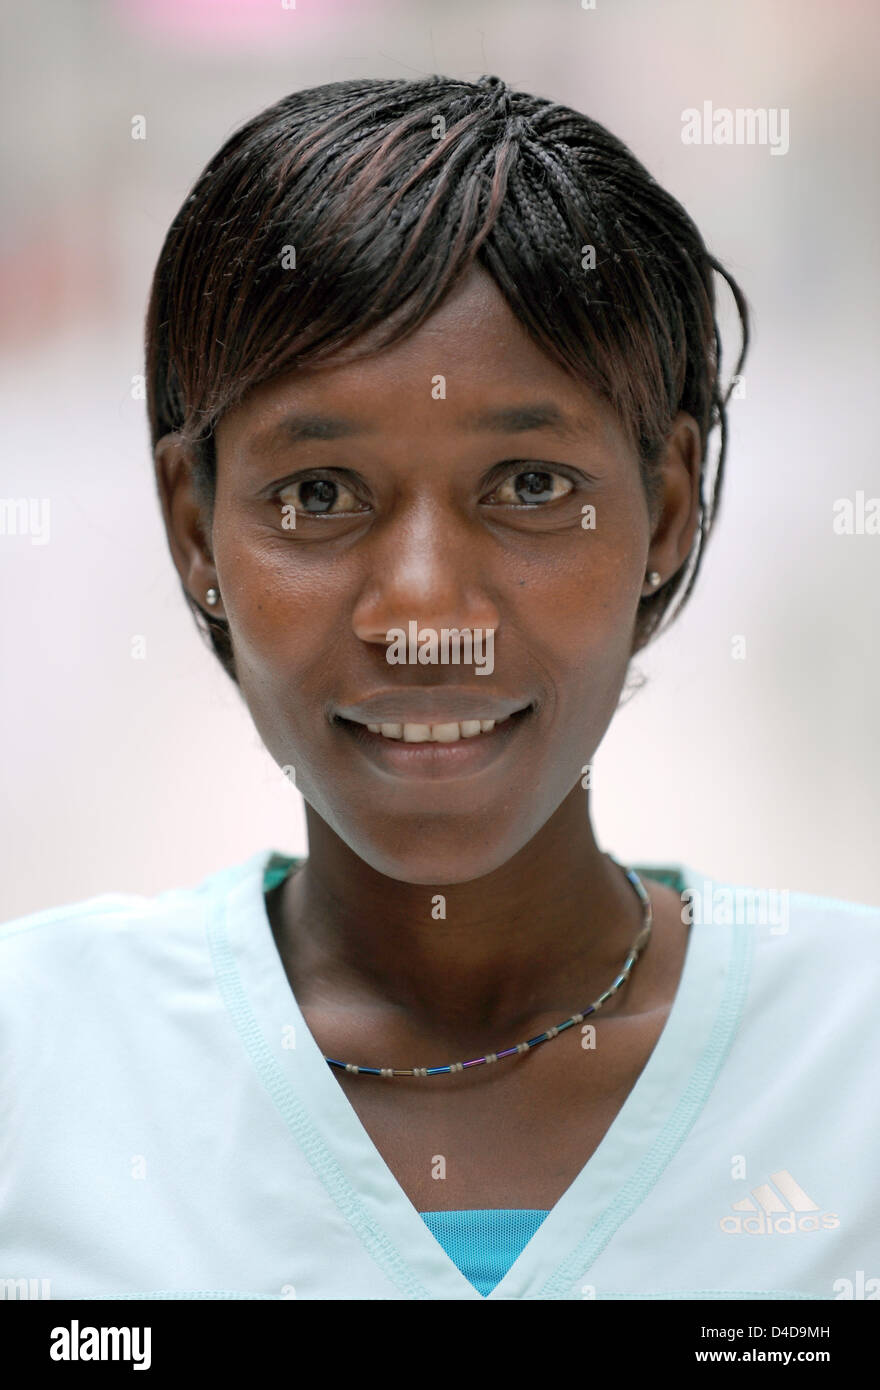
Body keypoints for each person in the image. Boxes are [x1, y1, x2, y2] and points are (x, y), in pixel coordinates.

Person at [2, 74, 877, 1303]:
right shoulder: (34, 1063)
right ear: (195, 530)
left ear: (667, 509)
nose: (423, 614)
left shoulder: (852, 1060)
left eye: (528, 485)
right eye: (318, 495)